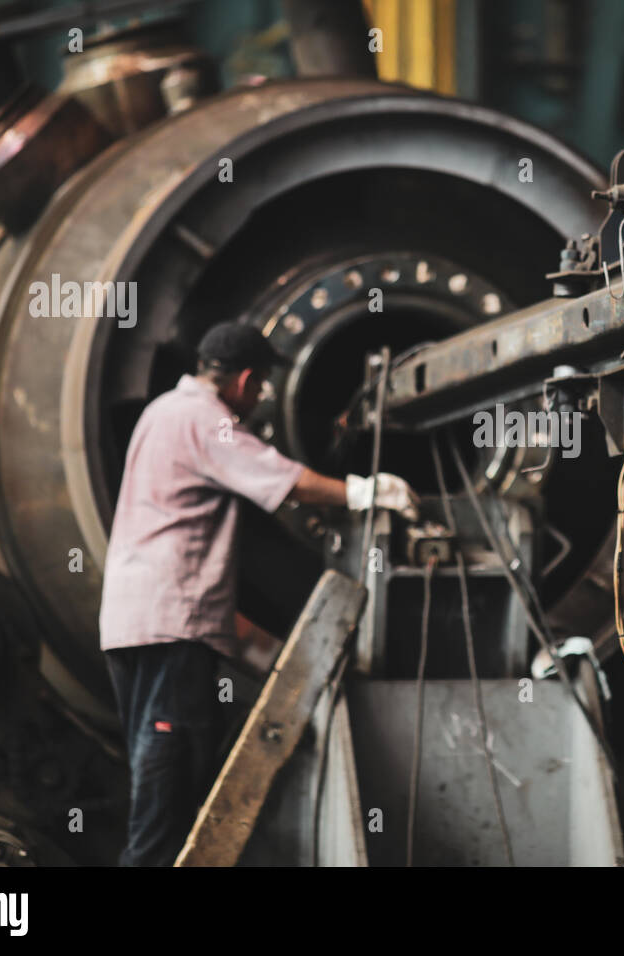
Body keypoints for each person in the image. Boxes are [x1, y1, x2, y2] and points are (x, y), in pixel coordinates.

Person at [99, 320, 417, 866]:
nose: (262, 396)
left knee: (157, 777)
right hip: (174, 623)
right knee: (167, 790)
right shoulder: (205, 419)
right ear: (245, 380)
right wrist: (366, 491)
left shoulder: (161, 412)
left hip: (130, 622)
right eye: (263, 384)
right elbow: (283, 480)